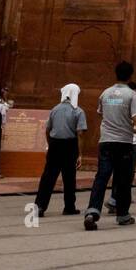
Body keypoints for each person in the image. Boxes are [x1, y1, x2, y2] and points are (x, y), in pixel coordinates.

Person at [84, 61, 136, 230]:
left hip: (105, 141)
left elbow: (103, 114)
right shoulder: (131, 95)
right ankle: (123, 215)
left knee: (101, 177)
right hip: (123, 143)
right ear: (130, 75)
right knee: (123, 179)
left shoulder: (105, 94)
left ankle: (92, 212)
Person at [34, 84, 87, 215]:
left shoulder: (55, 109)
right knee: (69, 178)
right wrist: (80, 154)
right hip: (70, 145)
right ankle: (69, 206)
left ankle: (40, 206)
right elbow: (80, 133)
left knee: (48, 177)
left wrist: (50, 143)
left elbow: (47, 129)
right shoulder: (78, 111)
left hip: (55, 145)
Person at [107, 79, 136, 213]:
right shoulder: (130, 106)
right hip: (127, 143)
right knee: (125, 174)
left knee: (118, 173)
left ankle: (114, 200)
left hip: (116, 140)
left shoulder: (112, 98)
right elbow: (131, 124)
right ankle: (119, 203)